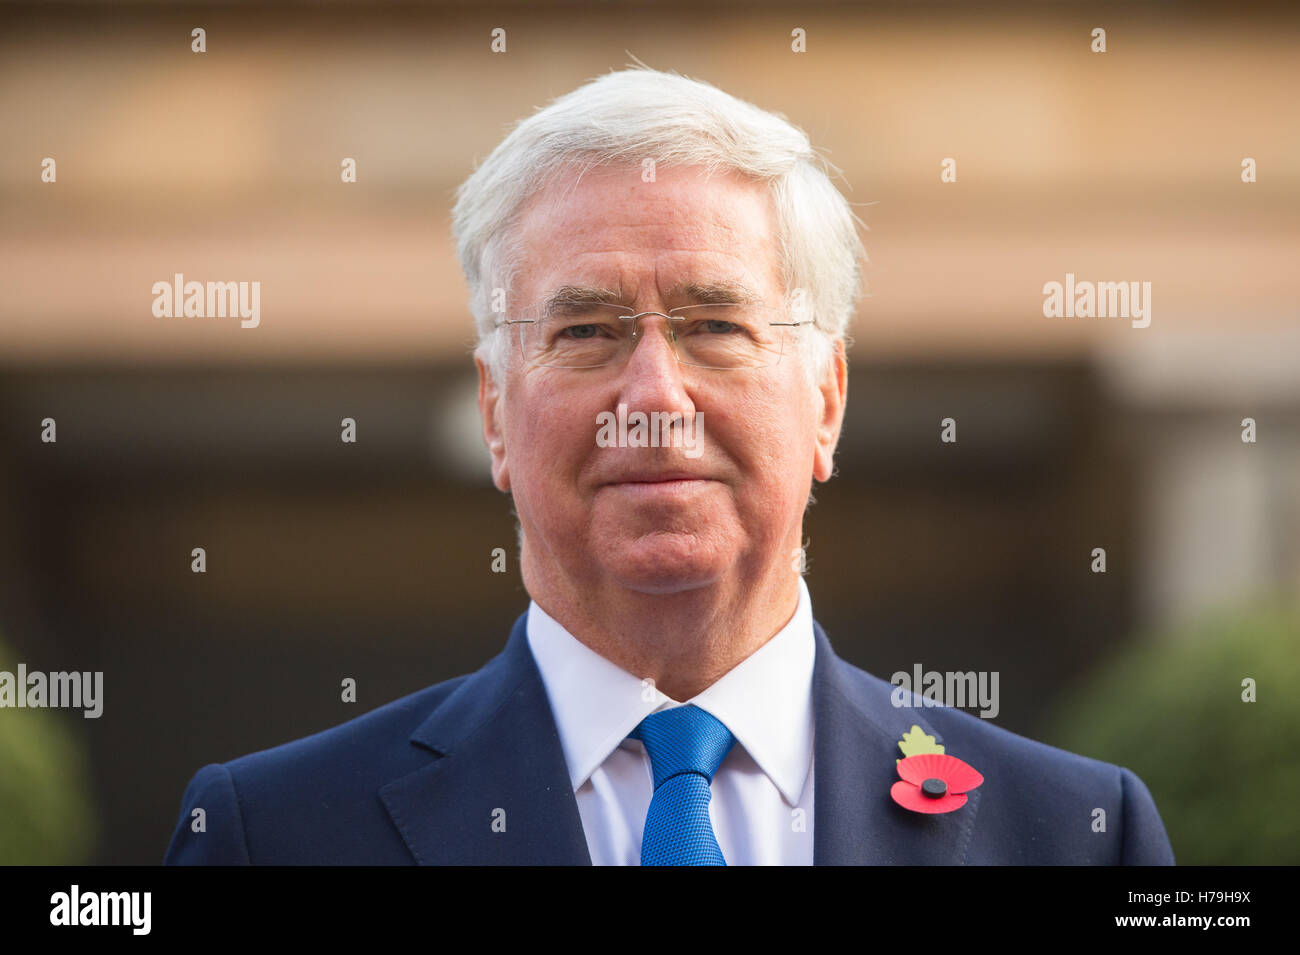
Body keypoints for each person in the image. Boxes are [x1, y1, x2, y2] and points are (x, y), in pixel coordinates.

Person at [164, 66, 1174, 865]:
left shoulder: (1075, 834)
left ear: (825, 399)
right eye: (588, 331)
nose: (652, 398)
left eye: (715, 324)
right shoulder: (273, 832)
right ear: (495, 415)